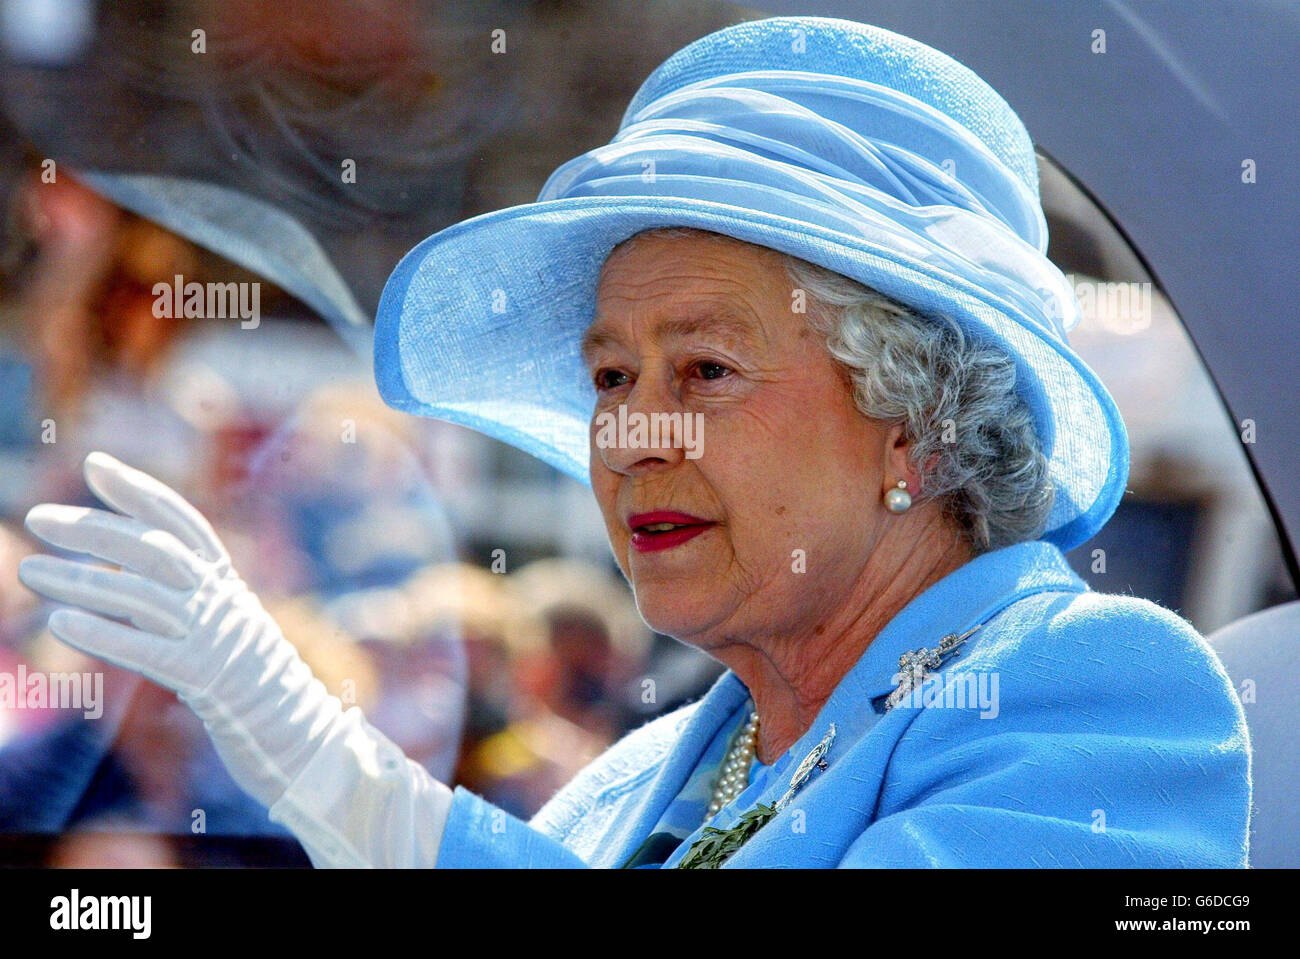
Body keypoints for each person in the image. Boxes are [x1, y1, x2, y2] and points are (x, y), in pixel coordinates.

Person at [17, 16, 1250, 867]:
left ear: (916, 426)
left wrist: (341, 774)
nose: (629, 433)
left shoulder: (1098, 692)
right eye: (610, 374)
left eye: (704, 369)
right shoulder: (643, 770)